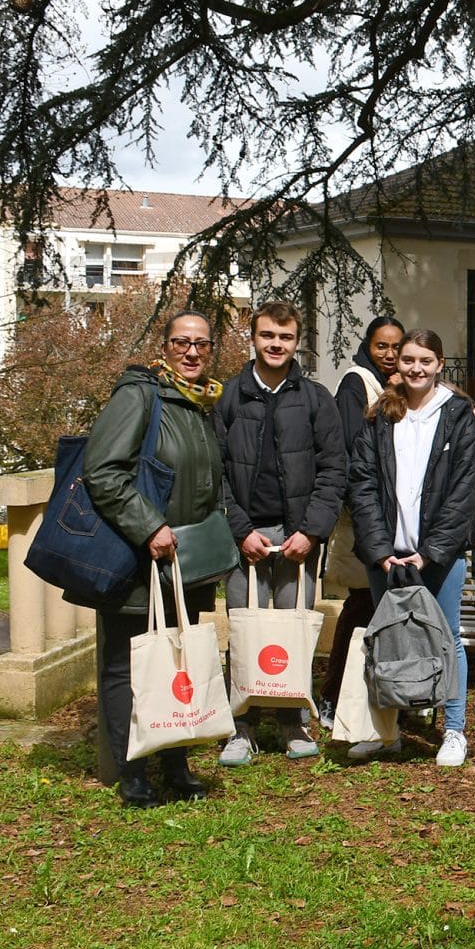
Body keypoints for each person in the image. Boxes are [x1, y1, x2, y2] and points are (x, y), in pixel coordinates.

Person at [82, 310, 226, 807]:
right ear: (164, 347)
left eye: (202, 344)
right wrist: (150, 527)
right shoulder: (139, 395)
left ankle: (174, 762)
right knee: (128, 665)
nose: (192, 352)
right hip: (136, 557)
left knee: (177, 660)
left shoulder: (199, 403)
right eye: (181, 342)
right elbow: (102, 472)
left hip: (186, 560)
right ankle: (133, 773)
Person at [215, 301, 347, 766]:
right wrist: (239, 529)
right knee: (243, 630)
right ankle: (241, 726)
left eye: (285, 337)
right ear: (253, 337)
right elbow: (218, 474)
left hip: (297, 539)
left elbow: (334, 470)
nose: (276, 344)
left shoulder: (315, 399)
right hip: (245, 538)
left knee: (294, 632)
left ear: (296, 342)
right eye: (268, 335)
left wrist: (311, 533)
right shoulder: (230, 396)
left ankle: (292, 722)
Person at [347, 329, 475, 766]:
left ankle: (455, 730)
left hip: (437, 556)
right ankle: (389, 733)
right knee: (388, 642)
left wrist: (430, 552)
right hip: (386, 554)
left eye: (426, 360)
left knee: (446, 638)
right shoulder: (380, 414)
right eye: (408, 360)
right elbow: (362, 484)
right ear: (397, 364)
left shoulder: (459, 415)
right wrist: (380, 548)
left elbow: (463, 492)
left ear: (440, 364)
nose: (416, 368)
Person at [319, 315, 404, 728]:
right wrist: (365, 511)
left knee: (378, 608)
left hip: (396, 519)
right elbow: (354, 449)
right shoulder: (357, 382)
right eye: (381, 347)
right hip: (366, 520)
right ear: (367, 347)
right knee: (359, 607)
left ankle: (375, 695)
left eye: (395, 347)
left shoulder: (398, 386)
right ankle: (333, 695)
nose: (389, 355)